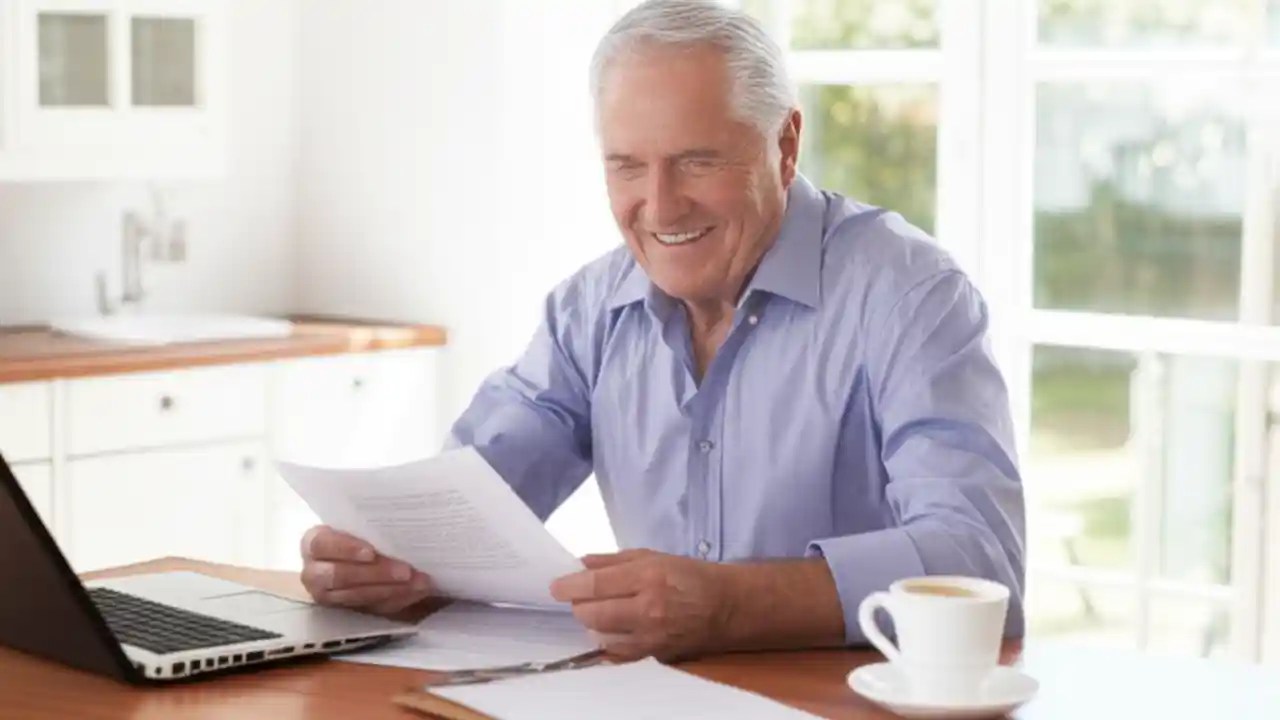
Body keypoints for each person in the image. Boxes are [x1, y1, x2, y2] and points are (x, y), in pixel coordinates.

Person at [299, 0, 1025, 661]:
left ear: (787, 142)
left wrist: (732, 605)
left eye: (697, 161)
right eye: (627, 168)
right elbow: (467, 509)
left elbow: (979, 561)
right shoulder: (588, 312)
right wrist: (381, 562)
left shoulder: (910, 296)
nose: (661, 206)